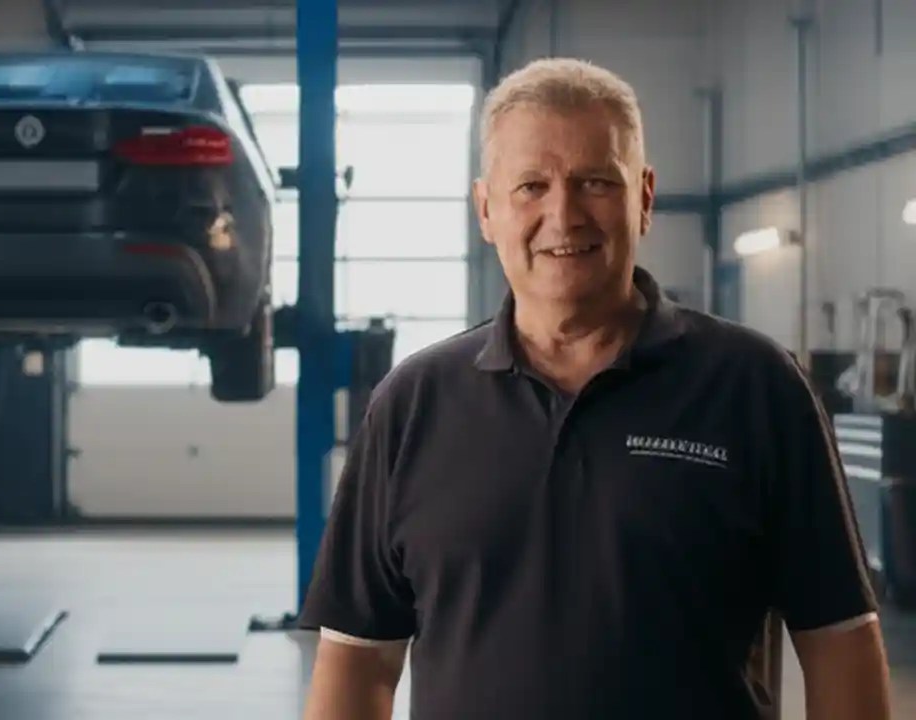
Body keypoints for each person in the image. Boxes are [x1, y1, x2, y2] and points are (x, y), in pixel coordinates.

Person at [298, 57, 892, 719]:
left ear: (643, 197)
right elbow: (358, 661)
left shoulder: (754, 388)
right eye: (531, 185)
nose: (564, 214)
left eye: (595, 182)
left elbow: (839, 642)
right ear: (485, 208)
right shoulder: (414, 406)